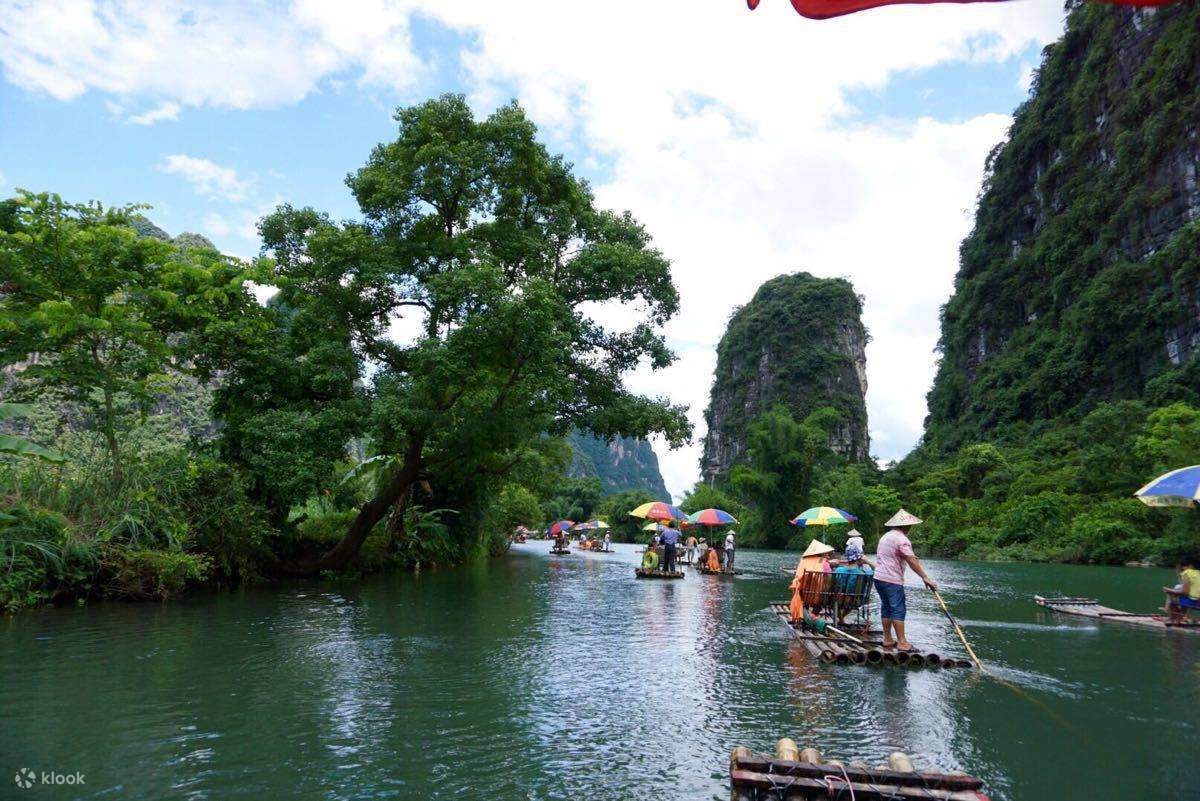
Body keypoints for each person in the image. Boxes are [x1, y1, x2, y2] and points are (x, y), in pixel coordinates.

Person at [874, 509, 937, 651]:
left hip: (879, 577)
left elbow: (894, 556)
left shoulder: (886, 536)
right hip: (892, 579)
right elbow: (911, 561)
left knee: (887, 607)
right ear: (906, 526)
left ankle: (888, 639)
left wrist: (910, 558)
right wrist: (925, 577)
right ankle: (902, 642)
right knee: (898, 609)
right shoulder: (902, 540)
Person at [789, 540, 834, 623]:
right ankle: (814, 614)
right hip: (818, 595)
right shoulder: (824, 562)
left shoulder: (803, 561)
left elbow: (798, 576)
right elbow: (829, 577)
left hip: (803, 593)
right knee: (824, 590)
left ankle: (806, 613)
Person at [831, 543, 874, 624]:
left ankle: (840, 618)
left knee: (840, 598)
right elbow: (877, 571)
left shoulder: (838, 570)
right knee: (851, 598)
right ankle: (841, 618)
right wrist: (868, 562)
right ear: (859, 558)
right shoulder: (864, 573)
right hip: (856, 600)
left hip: (837, 599)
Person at [1165, 556, 1200, 622]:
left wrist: (1169, 590)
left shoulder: (1187, 573)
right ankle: (1180, 617)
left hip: (1193, 601)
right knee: (1182, 595)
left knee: (1172, 596)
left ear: (1190, 565)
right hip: (1198, 601)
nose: (1182, 568)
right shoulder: (1198, 572)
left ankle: (1172, 618)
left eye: (1183, 566)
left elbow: (1185, 592)